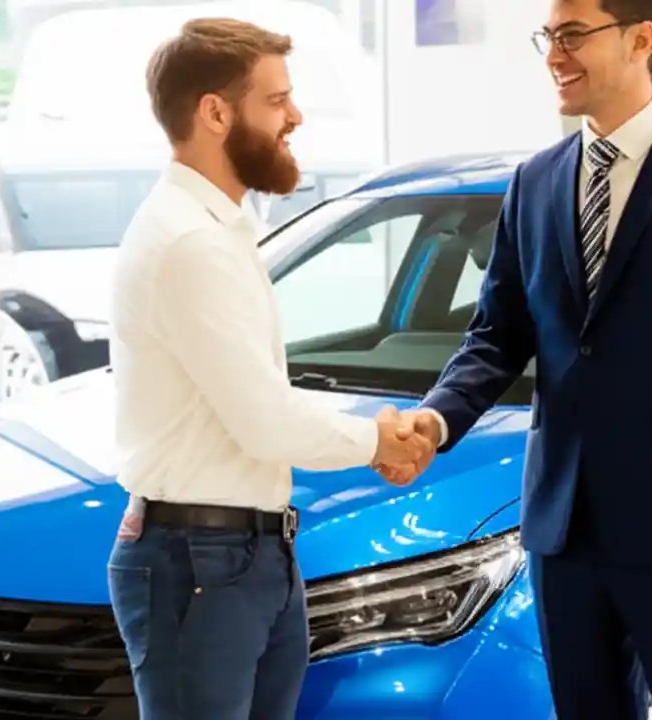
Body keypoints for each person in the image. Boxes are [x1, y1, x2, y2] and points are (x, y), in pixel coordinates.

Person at [376, 1, 652, 717]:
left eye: (573, 36)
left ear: (640, 39)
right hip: (562, 535)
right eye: (549, 36)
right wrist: (437, 421)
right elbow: (497, 333)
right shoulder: (535, 182)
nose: (553, 55)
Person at [104, 18, 431, 720]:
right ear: (215, 112)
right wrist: (379, 441)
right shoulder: (188, 242)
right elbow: (264, 418)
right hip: (201, 564)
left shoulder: (221, 230)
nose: (296, 117)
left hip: (246, 556)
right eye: (277, 100)